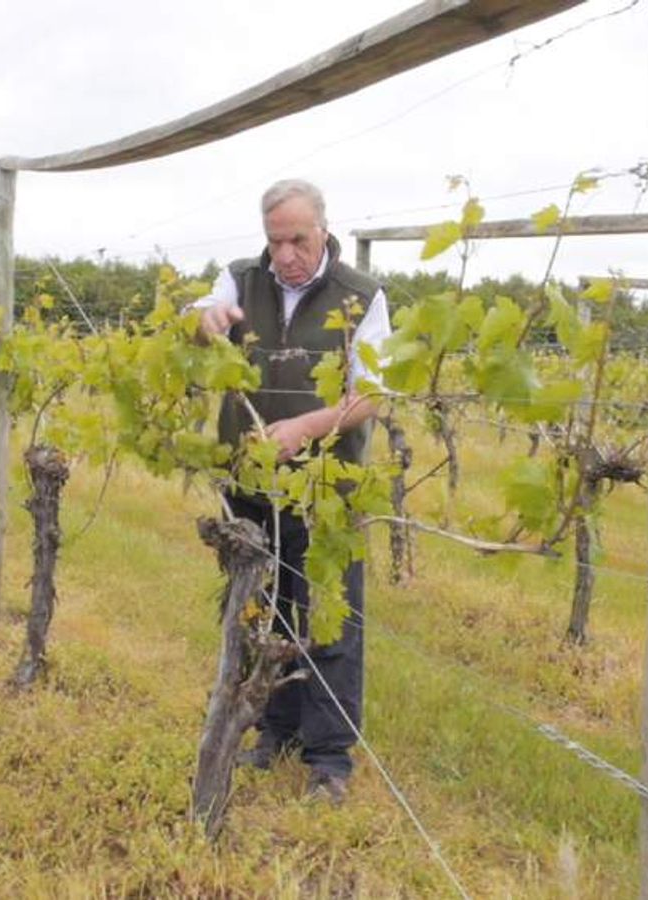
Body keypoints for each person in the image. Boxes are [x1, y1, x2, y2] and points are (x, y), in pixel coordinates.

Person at [194, 178, 390, 804]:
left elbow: (371, 394)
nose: (285, 255)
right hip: (251, 484)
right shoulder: (242, 278)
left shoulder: (362, 296)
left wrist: (307, 428)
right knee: (263, 607)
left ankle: (328, 758)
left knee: (330, 615)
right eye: (275, 241)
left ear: (323, 232)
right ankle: (271, 730)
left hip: (327, 487)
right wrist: (205, 320)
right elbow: (201, 314)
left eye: (297, 240)